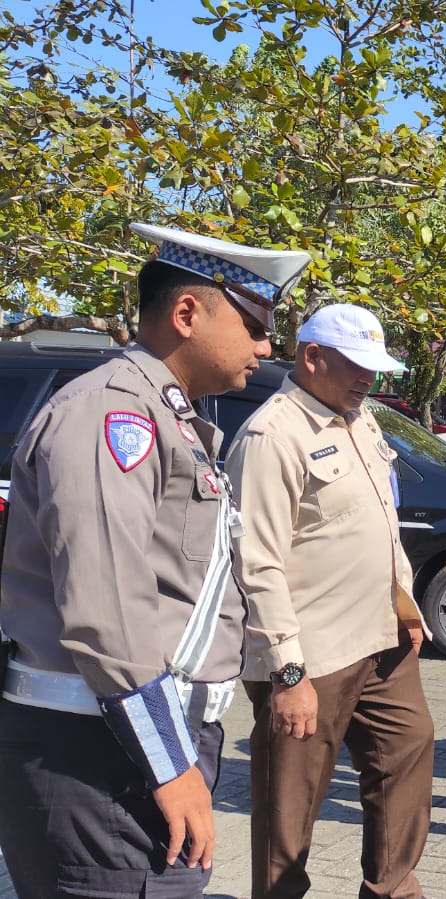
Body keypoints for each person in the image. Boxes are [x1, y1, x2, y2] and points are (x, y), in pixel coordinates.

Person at [0, 223, 305, 898]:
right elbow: (108, 608)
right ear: (187, 313)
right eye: (255, 323)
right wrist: (170, 765)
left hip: (131, 738)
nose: (266, 346)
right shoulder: (115, 413)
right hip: (100, 751)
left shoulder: (165, 413)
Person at [228, 304, 433, 898]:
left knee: (409, 750)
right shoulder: (273, 435)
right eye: (355, 365)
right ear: (311, 357)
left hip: (380, 638)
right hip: (310, 656)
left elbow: (382, 520)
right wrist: (288, 673)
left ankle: (391, 885)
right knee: (289, 808)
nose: (369, 379)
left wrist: (405, 604)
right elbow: (256, 563)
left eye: (375, 367)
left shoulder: (359, 417)